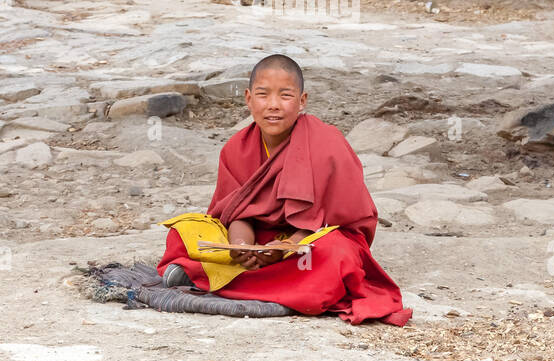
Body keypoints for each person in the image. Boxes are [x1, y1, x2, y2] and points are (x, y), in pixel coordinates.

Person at [156, 54, 412, 326]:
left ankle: (207, 279)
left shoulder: (327, 144)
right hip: (259, 242)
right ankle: (265, 285)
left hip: (307, 246)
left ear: (302, 101)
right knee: (183, 231)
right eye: (263, 95)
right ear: (248, 98)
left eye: (285, 96)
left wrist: (289, 246)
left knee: (337, 254)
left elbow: (347, 224)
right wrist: (241, 247)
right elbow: (235, 213)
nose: (273, 106)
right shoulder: (236, 148)